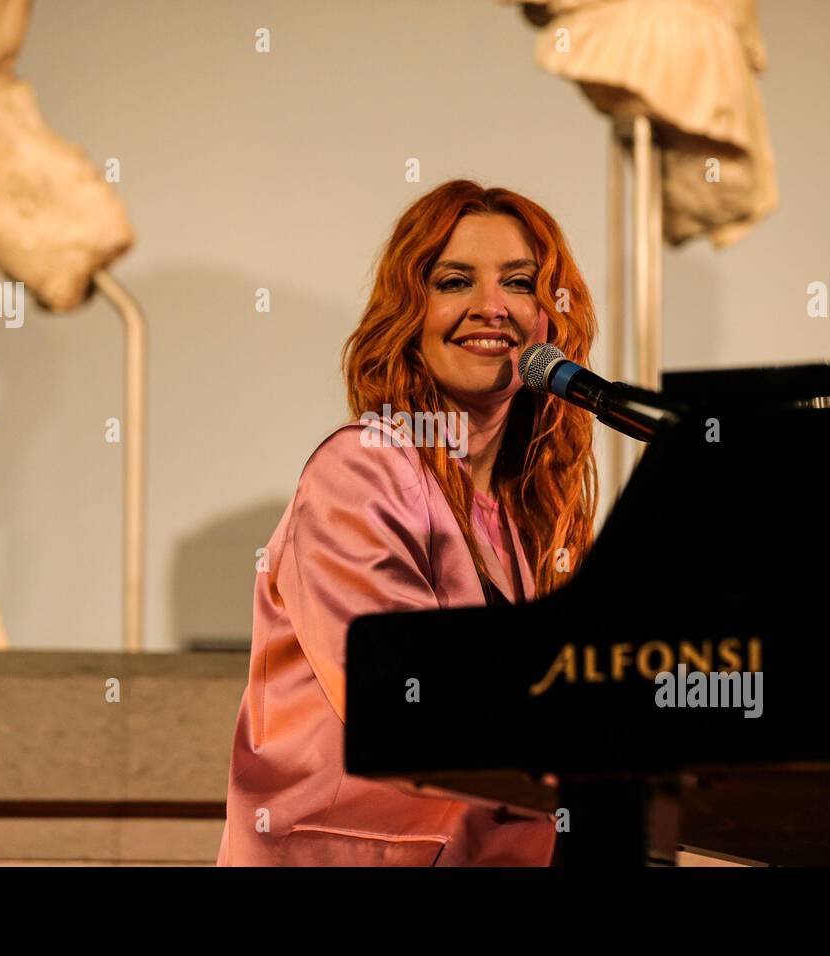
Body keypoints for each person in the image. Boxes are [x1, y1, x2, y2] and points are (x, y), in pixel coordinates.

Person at [216, 179, 598, 865]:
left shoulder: (529, 515)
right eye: (454, 282)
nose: (491, 308)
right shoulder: (359, 472)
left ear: (550, 318)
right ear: (409, 313)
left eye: (518, 283)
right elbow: (405, 704)